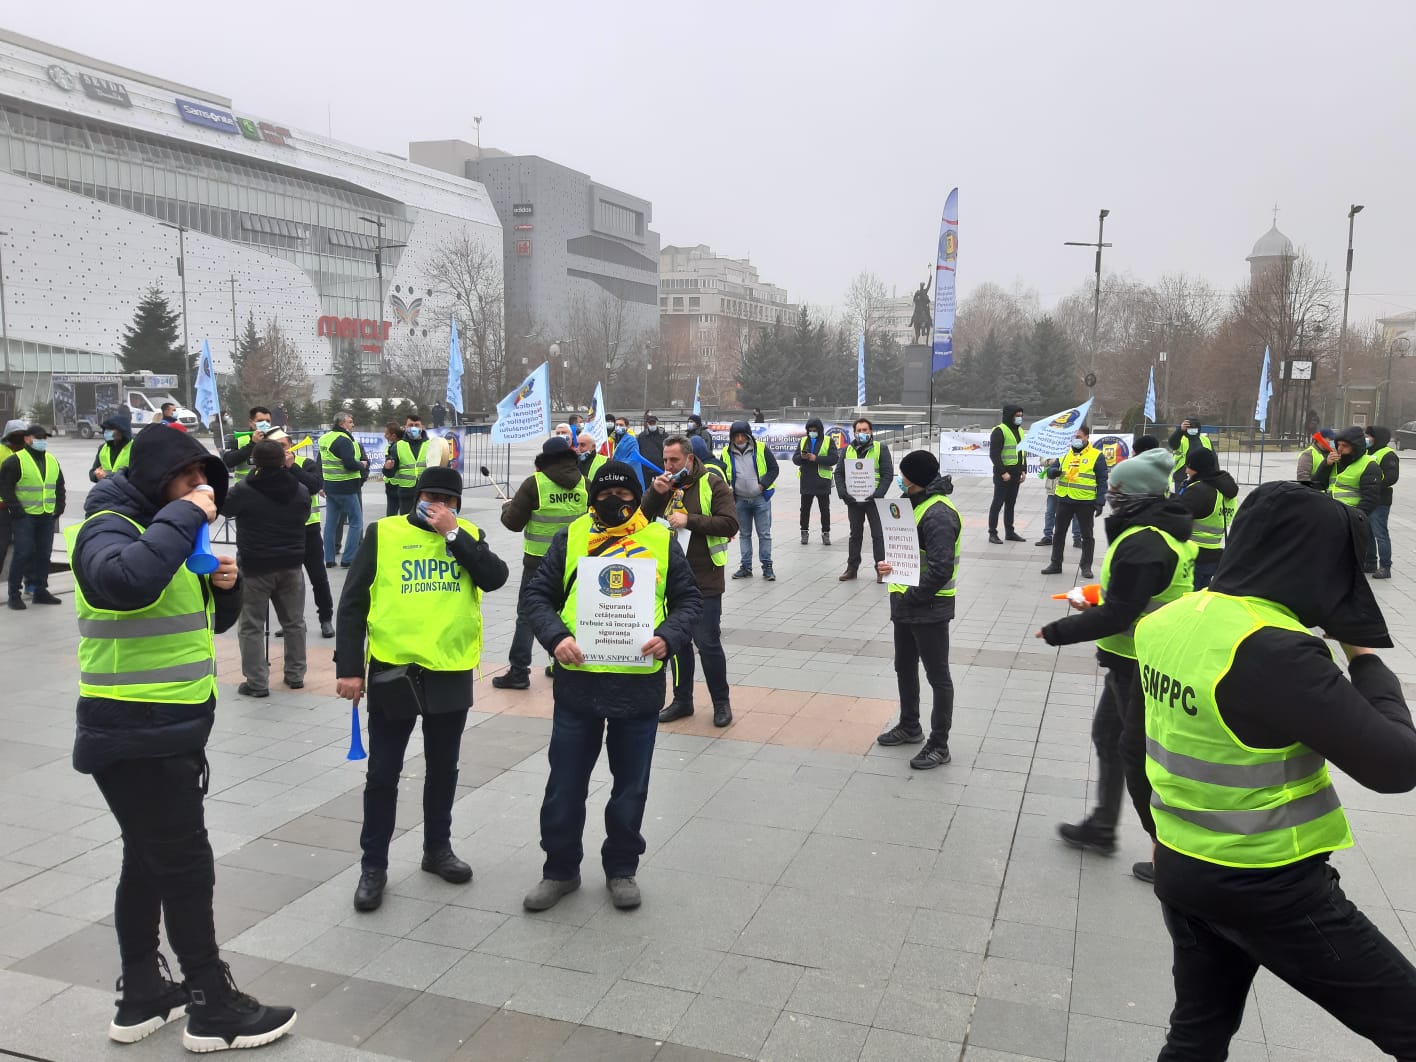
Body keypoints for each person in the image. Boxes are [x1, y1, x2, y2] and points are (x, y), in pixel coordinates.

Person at [1134, 482, 1416, 1060]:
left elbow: (1143, 744)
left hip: (1184, 869)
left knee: (1198, 1032)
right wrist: (1364, 657)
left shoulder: (1168, 620)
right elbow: (1395, 765)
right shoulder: (1274, 650)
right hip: (1268, 887)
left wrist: (1160, 838)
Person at [67, 424, 296, 1051]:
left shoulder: (168, 531)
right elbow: (122, 583)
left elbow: (187, 618)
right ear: (154, 477)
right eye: (189, 479)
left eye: (208, 484)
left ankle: (143, 994)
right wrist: (181, 517)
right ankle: (211, 1003)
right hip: (135, 729)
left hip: (165, 725)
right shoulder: (107, 526)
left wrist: (220, 590)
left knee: (144, 860)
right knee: (187, 866)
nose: (202, 493)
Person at [520, 462, 701, 912]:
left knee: (630, 787)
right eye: (605, 494)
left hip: (637, 688)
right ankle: (559, 870)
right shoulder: (572, 535)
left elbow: (688, 600)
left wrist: (670, 636)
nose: (614, 501)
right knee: (564, 785)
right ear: (592, 498)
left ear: (637, 497)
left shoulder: (659, 538)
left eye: (625, 494)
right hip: (578, 685)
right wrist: (556, 637)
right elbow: (536, 595)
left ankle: (622, 868)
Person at [336, 467, 508, 912]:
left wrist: (455, 537)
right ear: (417, 496)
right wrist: (351, 668)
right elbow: (353, 602)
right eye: (430, 496)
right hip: (395, 669)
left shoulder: (468, 533)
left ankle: (437, 849)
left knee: (443, 767)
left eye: (448, 500)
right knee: (383, 774)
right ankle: (373, 865)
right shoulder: (383, 533)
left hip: (449, 668)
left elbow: (494, 577)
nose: (438, 506)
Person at [1037, 447, 1196, 879]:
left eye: (1118, 489)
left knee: (1138, 756)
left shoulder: (1145, 541)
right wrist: (1095, 597)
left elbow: (1122, 612)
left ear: (1138, 495)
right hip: (1126, 659)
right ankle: (1104, 826)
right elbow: (1128, 597)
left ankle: (1172, 853)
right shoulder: (1148, 532)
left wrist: (1058, 631)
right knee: (1108, 738)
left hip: (1142, 664)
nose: (1110, 494)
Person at [873, 451, 961, 770]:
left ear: (915, 478)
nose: (900, 478)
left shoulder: (938, 514)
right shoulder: (913, 503)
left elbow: (939, 569)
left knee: (938, 675)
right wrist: (884, 567)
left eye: (903, 474)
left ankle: (939, 744)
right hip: (905, 603)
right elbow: (904, 552)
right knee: (904, 666)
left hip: (930, 606)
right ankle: (910, 726)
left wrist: (912, 596)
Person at [646, 435, 739, 726]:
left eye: (674, 460)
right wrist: (653, 494)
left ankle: (721, 703)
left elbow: (729, 523)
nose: (668, 466)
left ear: (689, 458)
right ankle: (682, 700)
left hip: (705, 577)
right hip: (671, 579)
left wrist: (690, 520)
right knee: (678, 643)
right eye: (665, 460)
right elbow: (637, 521)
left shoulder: (712, 483)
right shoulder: (664, 485)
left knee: (707, 642)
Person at [494, 436, 588, 690]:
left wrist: (507, 508)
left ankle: (519, 671)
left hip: (538, 563)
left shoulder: (534, 484)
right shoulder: (584, 483)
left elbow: (513, 523)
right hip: (575, 563)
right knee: (567, 614)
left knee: (527, 615)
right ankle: (563, 663)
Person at [220, 440, 309, 697]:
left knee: (251, 626)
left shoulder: (245, 489)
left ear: (255, 462)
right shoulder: (300, 489)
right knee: (294, 623)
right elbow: (303, 516)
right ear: (284, 460)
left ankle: (257, 682)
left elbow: (225, 508)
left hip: (255, 566)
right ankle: (295, 675)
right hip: (292, 565)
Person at [268, 430, 335, 639]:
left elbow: (314, 485)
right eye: (276, 446)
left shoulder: (305, 463)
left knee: (318, 578)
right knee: (285, 581)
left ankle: (325, 619)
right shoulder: (270, 468)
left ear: (291, 444)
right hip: (283, 532)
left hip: (309, 530)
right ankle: (293, 622)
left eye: (284, 445)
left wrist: (292, 466)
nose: (282, 450)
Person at [1, 422, 64, 609]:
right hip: (25, 516)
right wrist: (17, 510)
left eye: (44, 438)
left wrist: (59, 507)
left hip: (46, 515)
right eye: (39, 438)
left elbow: (59, 486)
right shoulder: (15, 460)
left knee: (44, 554)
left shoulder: (52, 460)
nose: (42, 441)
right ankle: (14, 594)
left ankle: (40, 591)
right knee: (23, 553)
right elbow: (5, 487)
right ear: (27, 439)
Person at [1041, 423, 1107, 579]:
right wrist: (1053, 471)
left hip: (1085, 501)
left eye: (1078, 437)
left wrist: (1100, 502)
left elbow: (1102, 480)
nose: (1075, 440)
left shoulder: (1096, 455)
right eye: (1073, 437)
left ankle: (1086, 566)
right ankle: (1055, 563)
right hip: (1064, 499)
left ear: (1086, 437)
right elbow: (1051, 470)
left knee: (1087, 536)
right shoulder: (1064, 453)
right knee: (1059, 534)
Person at [836, 418, 893, 583]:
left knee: (878, 535)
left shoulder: (880, 448)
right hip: (853, 500)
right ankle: (852, 568)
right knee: (855, 535)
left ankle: (880, 569)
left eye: (865, 430)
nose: (862, 433)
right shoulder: (847, 450)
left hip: (874, 500)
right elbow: (839, 473)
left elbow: (887, 474)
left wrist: (878, 494)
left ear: (871, 431)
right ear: (854, 432)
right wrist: (843, 493)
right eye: (859, 430)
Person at [723, 420, 779, 580]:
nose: (740, 439)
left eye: (743, 435)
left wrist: (763, 484)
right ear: (732, 437)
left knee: (764, 534)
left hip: (760, 499)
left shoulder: (760, 448)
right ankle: (746, 566)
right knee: (744, 534)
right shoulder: (727, 452)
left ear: (748, 436)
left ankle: (767, 566)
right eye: (736, 436)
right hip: (740, 500)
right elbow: (723, 471)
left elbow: (774, 468)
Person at [1176, 446, 1237, 590]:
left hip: (1193, 555)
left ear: (1198, 467)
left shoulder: (1199, 490)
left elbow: (1176, 516)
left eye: (1189, 466)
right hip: (1214, 555)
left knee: (1188, 600)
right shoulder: (1227, 491)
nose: (1186, 470)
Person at [319, 412, 368, 568]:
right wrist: (362, 465)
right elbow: (348, 463)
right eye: (350, 422)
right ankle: (348, 558)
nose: (352, 424)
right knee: (356, 523)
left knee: (330, 524)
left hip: (330, 486)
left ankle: (329, 559)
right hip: (346, 486)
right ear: (342, 424)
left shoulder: (325, 438)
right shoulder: (344, 440)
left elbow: (321, 462)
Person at [1312, 425, 1380, 515]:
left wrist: (1355, 517)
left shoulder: (1369, 465)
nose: (1339, 448)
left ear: (1355, 446)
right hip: (1329, 512)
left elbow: (1370, 499)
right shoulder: (1334, 461)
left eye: (1344, 445)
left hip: (1350, 515)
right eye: (1338, 444)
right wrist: (1326, 465)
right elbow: (1316, 485)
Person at [792, 416, 838, 545]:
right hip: (806, 479)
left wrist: (816, 458)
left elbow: (834, 459)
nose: (812, 432)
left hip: (822, 480)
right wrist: (802, 457)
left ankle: (826, 533)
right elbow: (795, 459)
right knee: (805, 509)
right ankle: (804, 532)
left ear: (819, 430)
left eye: (814, 430)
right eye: (810, 430)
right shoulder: (803, 441)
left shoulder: (828, 441)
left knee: (824, 509)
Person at [988, 404, 1028, 544]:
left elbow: (1023, 452)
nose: (1019, 418)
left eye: (1021, 416)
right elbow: (994, 455)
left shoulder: (1020, 431)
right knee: (997, 504)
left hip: (1016, 474)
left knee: (1011, 504)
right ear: (1009, 416)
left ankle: (1010, 532)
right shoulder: (999, 431)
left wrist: (1024, 469)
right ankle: (992, 533)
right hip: (1003, 475)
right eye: (1017, 416)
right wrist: (1003, 472)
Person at [1364, 425, 1398, 579]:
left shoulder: (1388, 454)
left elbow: (1392, 477)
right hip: (1367, 498)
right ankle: (1370, 562)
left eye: (1369, 435)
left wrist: (1374, 484)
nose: (1367, 438)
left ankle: (1385, 567)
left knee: (1380, 534)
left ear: (1377, 437)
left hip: (1380, 499)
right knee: (1368, 533)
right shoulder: (1367, 452)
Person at [0, 422, 29, 584]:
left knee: (26, 548)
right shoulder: (1, 451)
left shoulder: (28, 452)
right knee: (2, 547)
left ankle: (28, 584)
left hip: (23, 508)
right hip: (3, 508)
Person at [384, 414, 430, 515]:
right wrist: (387, 468)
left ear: (422, 427)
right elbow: (390, 473)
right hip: (406, 494)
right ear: (405, 428)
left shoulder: (431, 445)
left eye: (417, 425)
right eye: (410, 425)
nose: (414, 428)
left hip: (426, 494)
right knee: (407, 524)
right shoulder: (397, 446)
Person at [1034, 457, 1082, 549]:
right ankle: (1048, 536)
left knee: (1076, 514)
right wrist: (1049, 461)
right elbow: (1042, 461)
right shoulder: (1051, 446)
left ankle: (1077, 538)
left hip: (1069, 487)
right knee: (1050, 512)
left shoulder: (1073, 448)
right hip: (1053, 488)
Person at [222, 407, 273, 485]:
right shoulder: (239, 439)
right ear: (251, 423)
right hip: (244, 489)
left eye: (268, 421)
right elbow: (228, 461)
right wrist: (252, 444)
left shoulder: (276, 439)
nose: (265, 424)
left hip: (268, 489)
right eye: (260, 421)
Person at [1167, 416, 1213, 493]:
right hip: (1182, 475)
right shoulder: (1181, 439)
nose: (1192, 429)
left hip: (1203, 476)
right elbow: (1172, 443)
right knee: (1181, 501)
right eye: (1190, 427)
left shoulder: (1205, 440)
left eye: (1194, 427)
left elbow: (1213, 458)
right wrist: (1180, 430)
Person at [90, 414, 134, 482]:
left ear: (122, 431)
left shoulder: (134, 448)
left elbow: (137, 475)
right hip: (106, 490)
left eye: (110, 429)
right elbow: (92, 472)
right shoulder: (103, 448)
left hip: (125, 491)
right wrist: (96, 475)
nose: (106, 432)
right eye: (105, 429)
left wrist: (108, 477)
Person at [611, 416, 646, 486]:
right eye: (616, 425)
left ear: (627, 427)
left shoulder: (631, 440)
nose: (618, 427)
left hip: (626, 472)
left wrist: (616, 465)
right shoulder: (611, 439)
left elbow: (633, 458)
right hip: (612, 473)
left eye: (621, 425)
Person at [380, 422, 403, 518]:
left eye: (386, 434)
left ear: (393, 436)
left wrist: (386, 469)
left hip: (396, 485)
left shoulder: (397, 447)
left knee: (392, 516)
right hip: (392, 484)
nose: (384, 436)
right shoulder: (392, 445)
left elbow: (392, 468)